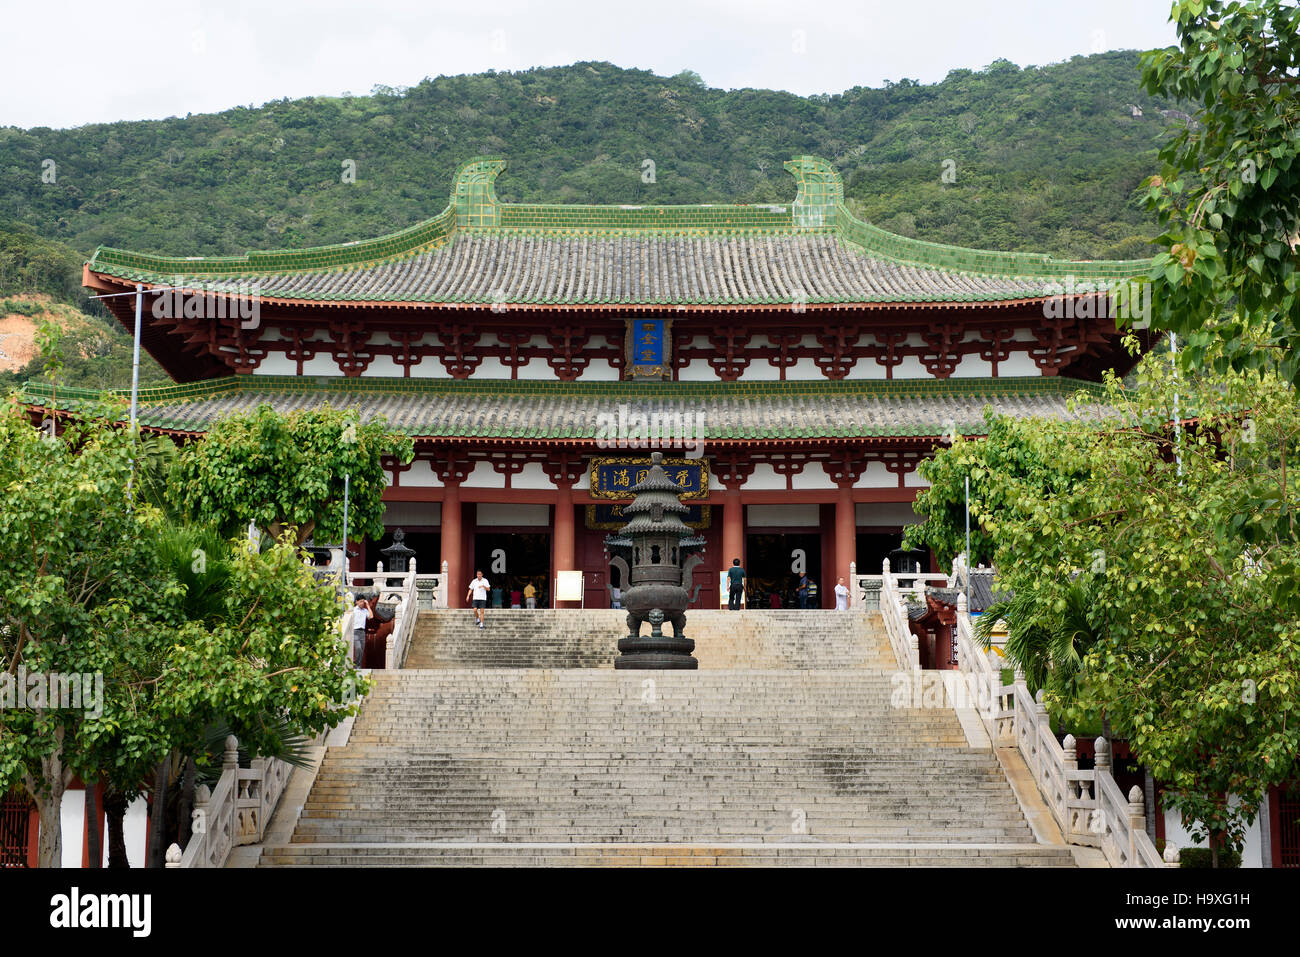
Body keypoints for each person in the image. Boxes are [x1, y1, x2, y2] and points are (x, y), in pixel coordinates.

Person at [350, 595, 371, 667]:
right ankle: (356, 665)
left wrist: (367, 605)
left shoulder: (365, 611)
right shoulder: (353, 610)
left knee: (362, 650)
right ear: (357, 602)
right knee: (358, 648)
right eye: (360, 601)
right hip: (355, 631)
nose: (362, 603)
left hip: (362, 632)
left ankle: (358, 666)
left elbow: (371, 616)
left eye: (363, 601)